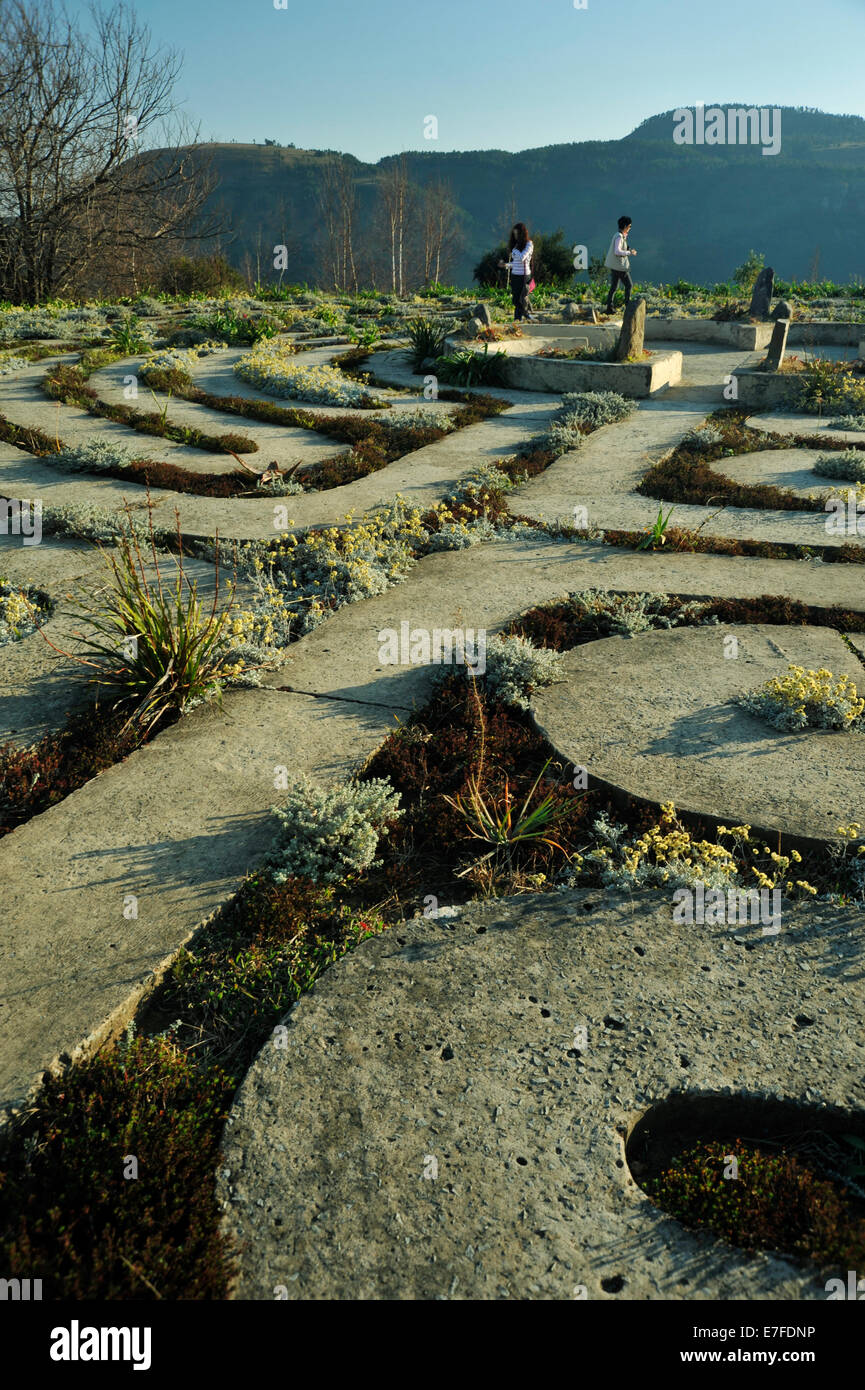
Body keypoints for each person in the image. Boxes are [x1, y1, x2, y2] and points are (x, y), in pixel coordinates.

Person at [498, 223, 535, 322]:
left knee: (521, 298)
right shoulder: (516, 246)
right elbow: (516, 263)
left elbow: (522, 257)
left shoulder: (529, 244)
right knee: (515, 299)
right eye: (514, 235)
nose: (516, 237)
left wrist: (514, 251)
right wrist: (506, 265)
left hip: (524, 276)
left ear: (522, 234)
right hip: (515, 275)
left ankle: (522, 316)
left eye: (517, 234)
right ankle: (519, 318)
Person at [604, 215, 637, 314]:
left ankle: (609, 307)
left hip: (615, 266)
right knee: (629, 285)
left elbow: (621, 248)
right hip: (620, 267)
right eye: (630, 226)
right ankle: (628, 307)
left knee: (614, 287)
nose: (630, 228)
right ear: (626, 226)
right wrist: (629, 253)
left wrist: (628, 249)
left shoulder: (619, 235)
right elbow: (617, 251)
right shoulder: (619, 237)